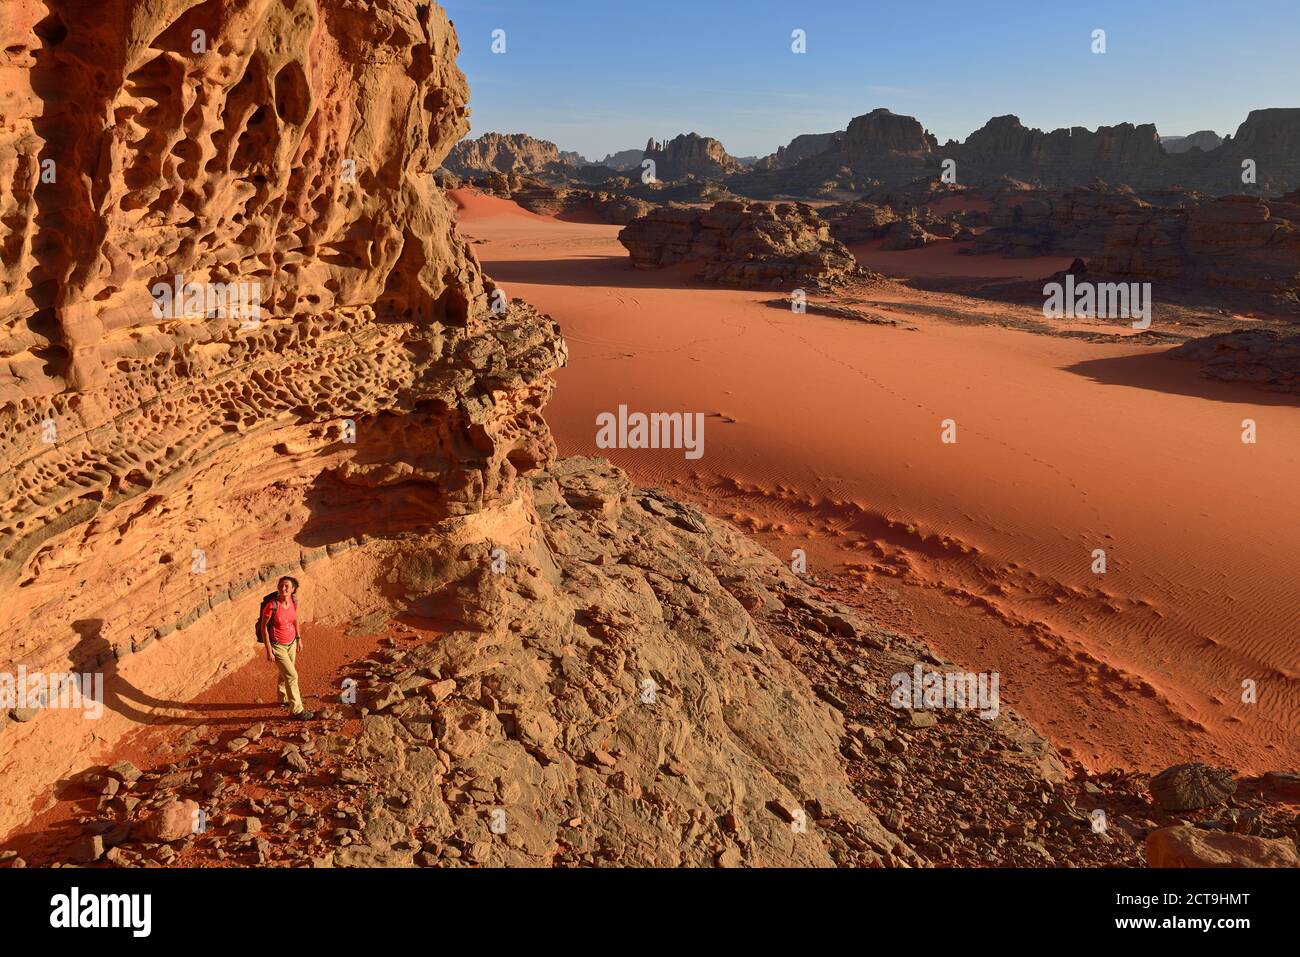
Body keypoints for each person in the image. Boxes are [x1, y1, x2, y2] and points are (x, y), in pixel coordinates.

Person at [258, 576, 314, 720]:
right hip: (277, 646)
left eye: (286, 586)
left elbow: (295, 620)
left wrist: (298, 639)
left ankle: (283, 698)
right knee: (292, 675)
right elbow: (263, 627)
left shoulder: (293, 602)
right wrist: (269, 650)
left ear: (293, 589)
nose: (283, 588)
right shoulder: (272, 605)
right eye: (281, 585)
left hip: (291, 643)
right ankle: (297, 711)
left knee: (285, 673)